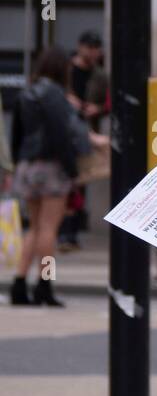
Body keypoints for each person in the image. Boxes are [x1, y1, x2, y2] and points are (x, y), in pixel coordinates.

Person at [9, 45, 109, 306]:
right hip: (52, 166)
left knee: (33, 226)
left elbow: (17, 134)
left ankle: (19, 284)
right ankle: (44, 286)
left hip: (28, 166)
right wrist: (72, 170)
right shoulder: (55, 95)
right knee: (49, 230)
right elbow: (60, 134)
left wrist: (16, 163)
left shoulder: (28, 92)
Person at [58, 30, 107, 252]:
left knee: (81, 181)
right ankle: (63, 231)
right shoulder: (66, 69)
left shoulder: (100, 74)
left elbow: (109, 100)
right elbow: (56, 93)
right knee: (66, 181)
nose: (94, 52)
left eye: (96, 48)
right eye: (90, 47)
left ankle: (72, 232)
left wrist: (97, 109)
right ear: (80, 47)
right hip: (65, 133)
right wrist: (71, 101)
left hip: (88, 134)